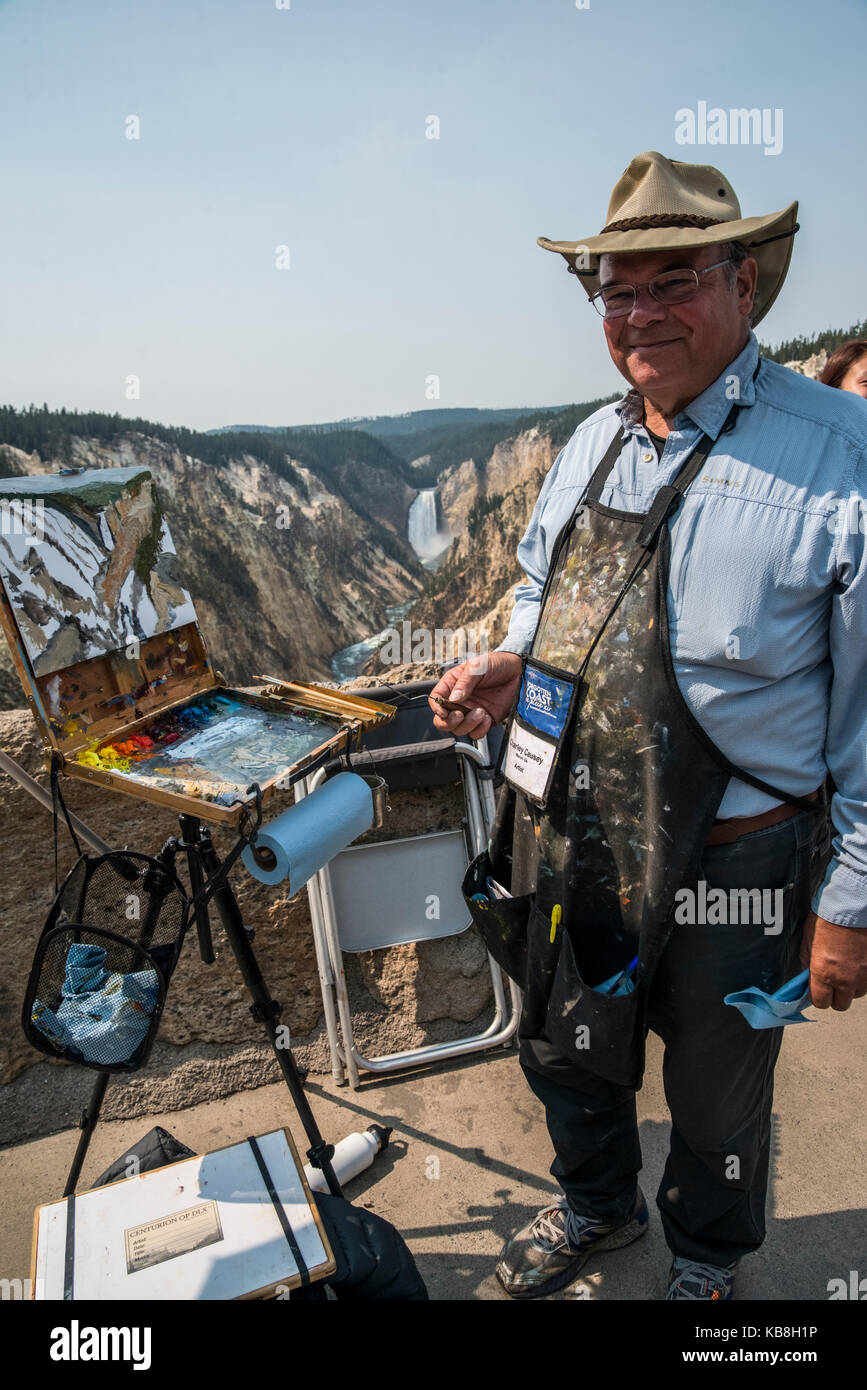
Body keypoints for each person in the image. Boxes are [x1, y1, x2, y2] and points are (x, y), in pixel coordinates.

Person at [429, 151, 867, 1301]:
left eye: (675, 280)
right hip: (580, 839)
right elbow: (542, 581)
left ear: (747, 284)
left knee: (722, 1090)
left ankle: (708, 1268)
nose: (641, 312)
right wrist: (515, 659)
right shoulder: (591, 442)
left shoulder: (839, 452)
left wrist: (849, 907)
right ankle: (595, 1206)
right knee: (572, 1055)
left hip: (741, 863)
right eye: (618, 289)